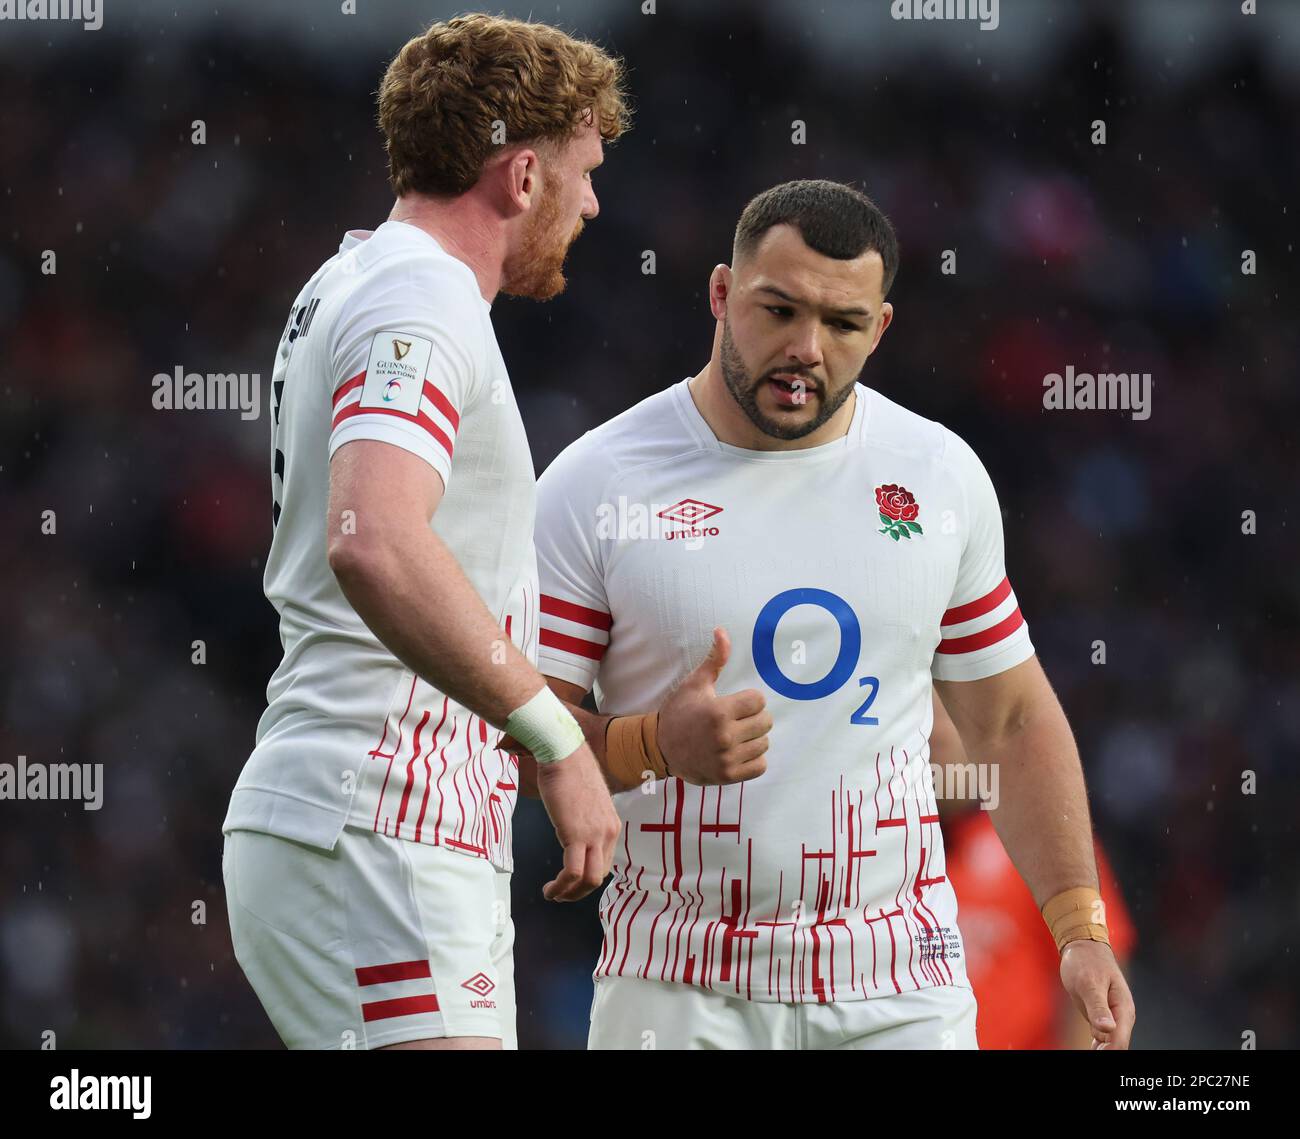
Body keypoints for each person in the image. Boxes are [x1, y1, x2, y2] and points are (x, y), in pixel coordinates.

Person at [527, 178, 1136, 1049]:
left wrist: (1079, 930)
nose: (806, 348)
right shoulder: (594, 485)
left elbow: (1008, 717)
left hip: (900, 987)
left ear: (879, 328)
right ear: (721, 294)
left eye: (843, 324)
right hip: (679, 982)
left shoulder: (938, 474)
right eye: (778, 309)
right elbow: (511, 732)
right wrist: (651, 744)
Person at [221, 13, 628, 1051]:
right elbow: (376, 540)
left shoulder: (352, 281)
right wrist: (549, 736)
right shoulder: (422, 296)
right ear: (522, 174)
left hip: (385, 826)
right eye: (582, 172)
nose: (593, 201)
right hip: (375, 820)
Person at [930, 692, 1137, 1049]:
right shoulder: (872, 848)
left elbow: (1100, 969)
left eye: (948, 721)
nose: (937, 739)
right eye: (924, 726)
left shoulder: (1041, 840)